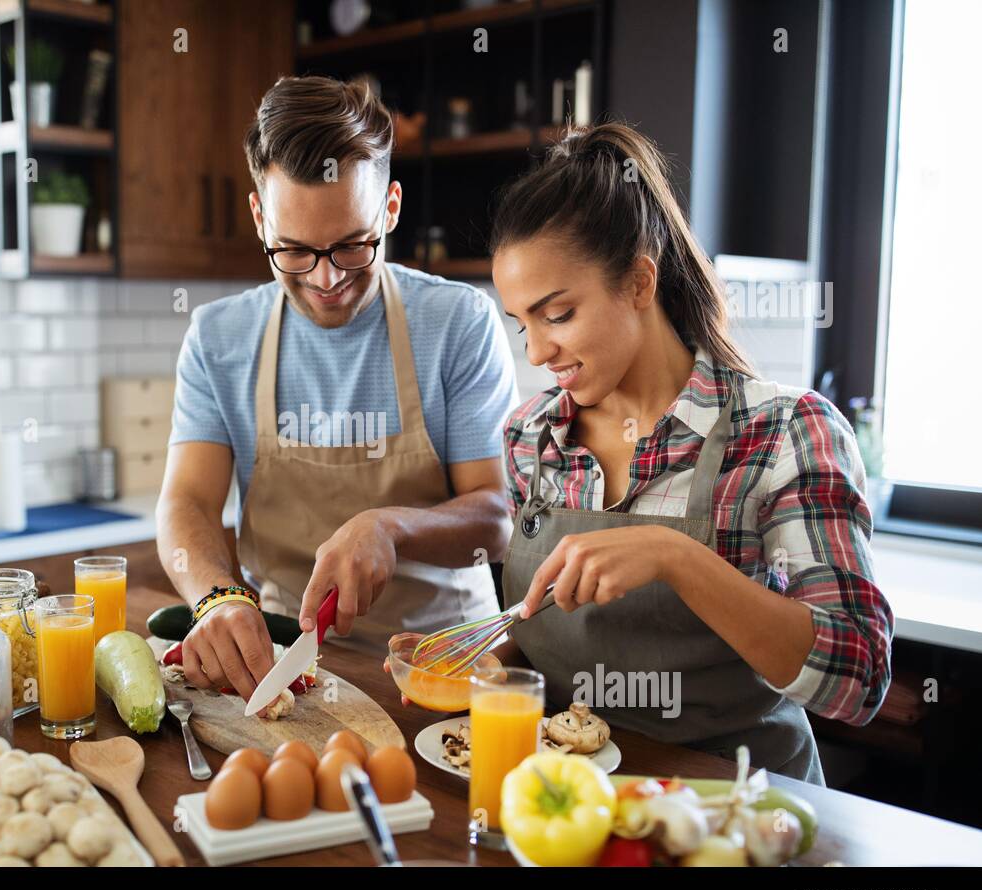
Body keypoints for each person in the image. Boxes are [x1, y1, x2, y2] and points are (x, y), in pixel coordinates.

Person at [490, 123, 892, 784]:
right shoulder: (530, 439)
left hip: (738, 818)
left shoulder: (784, 433)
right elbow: (551, 643)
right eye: (521, 324)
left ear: (641, 282)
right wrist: (482, 659)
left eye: (556, 315)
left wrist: (676, 557)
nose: (535, 352)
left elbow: (857, 681)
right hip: (572, 807)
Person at [156, 76, 519, 704]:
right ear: (258, 216)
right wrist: (219, 596)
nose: (326, 279)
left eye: (353, 245)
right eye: (293, 251)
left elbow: (497, 518)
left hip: (443, 673)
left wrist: (392, 528)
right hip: (282, 668)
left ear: (391, 209)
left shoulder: (458, 323)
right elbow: (185, 503)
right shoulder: (219, 337)